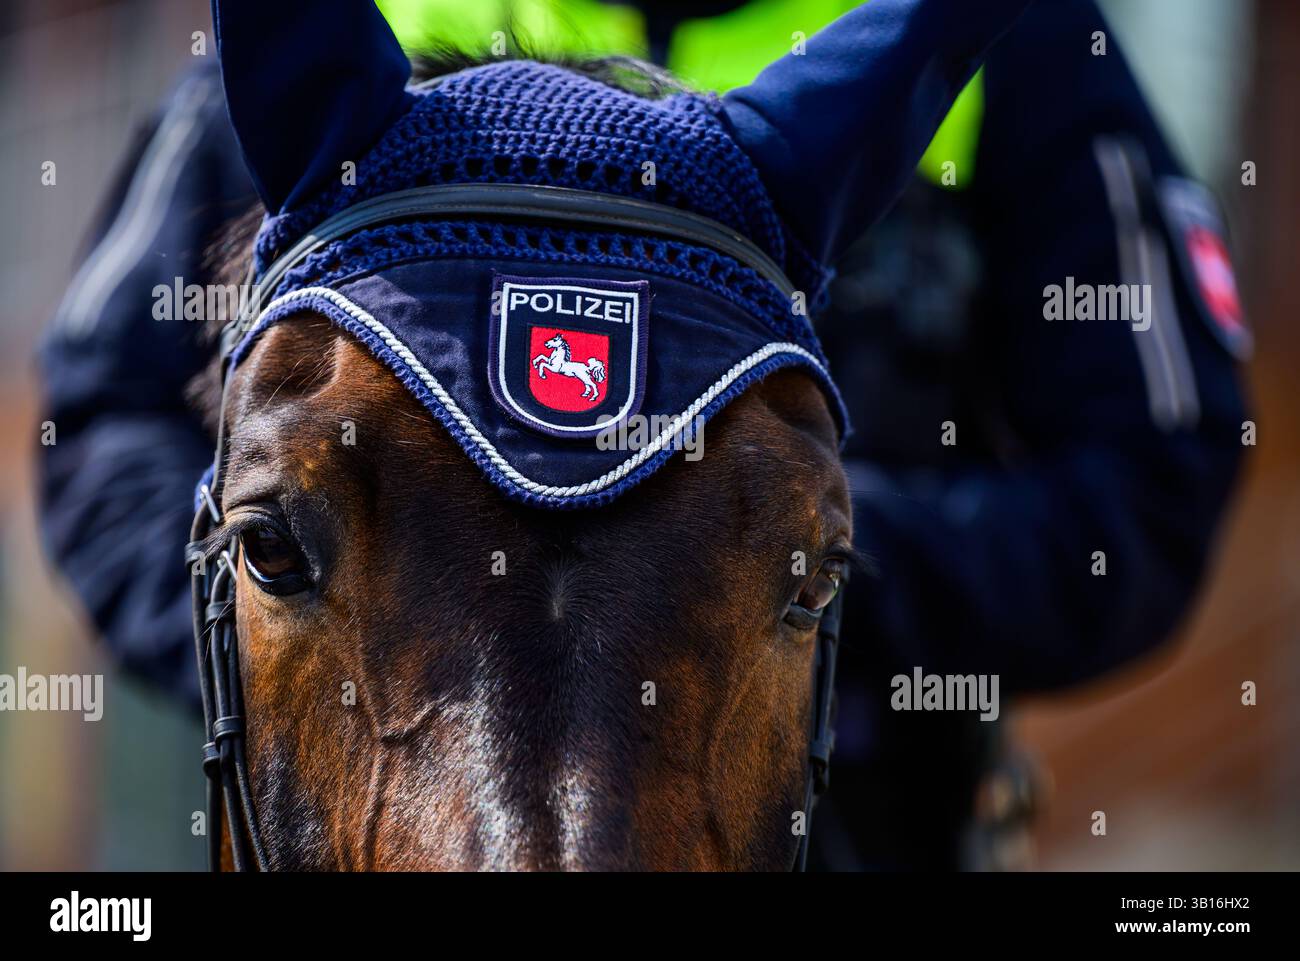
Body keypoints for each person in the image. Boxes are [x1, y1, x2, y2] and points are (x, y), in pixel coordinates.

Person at [37, 0, 1248, 870]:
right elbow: (100, 422)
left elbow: (1151, 481)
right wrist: (300, 616)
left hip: (874, 817)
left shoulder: (1029, 47)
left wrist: (770, 588)